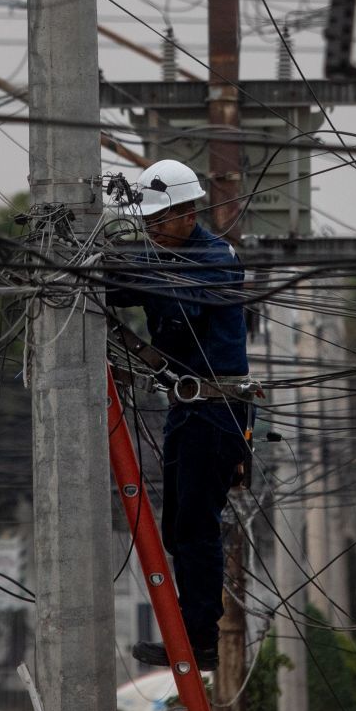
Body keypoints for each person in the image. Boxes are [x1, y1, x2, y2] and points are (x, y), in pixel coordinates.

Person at [107, 158, 253, 672]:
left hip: (217, 410)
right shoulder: (162, 257)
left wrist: (119, 272)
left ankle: (198, 641)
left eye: (156, 220)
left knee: (196, 528)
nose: (149, 229)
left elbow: (173, 294)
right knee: (180, 529)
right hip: (191, 408)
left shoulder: (213, 259)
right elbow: (127, 287)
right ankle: (193, 637)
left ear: (187, 212)